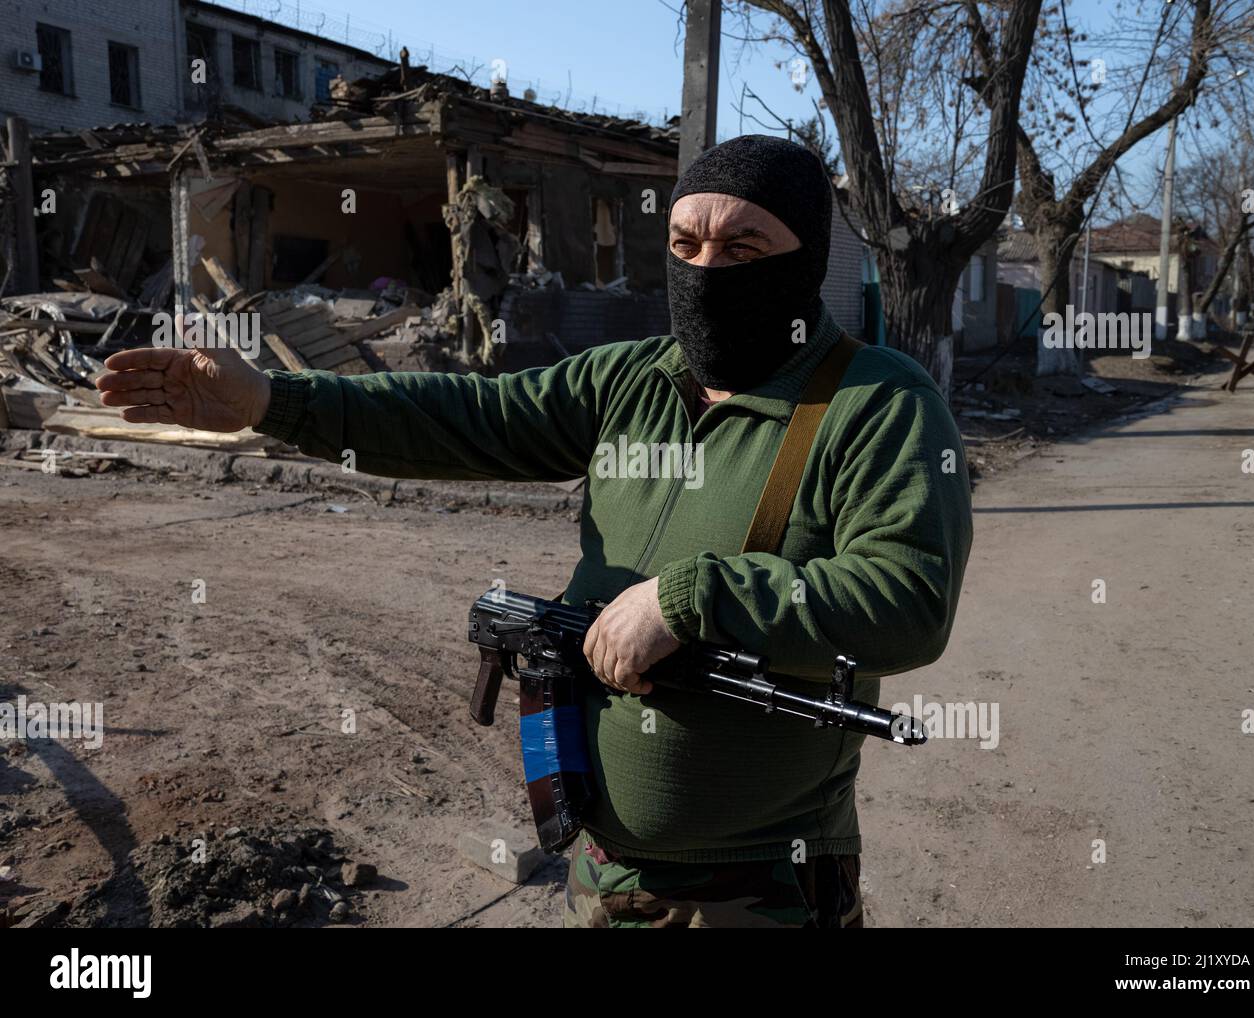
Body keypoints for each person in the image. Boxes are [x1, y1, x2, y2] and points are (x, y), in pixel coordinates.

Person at [96, 134, 973, 928]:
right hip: (601, 870)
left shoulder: (879, 403)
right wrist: (275, 402)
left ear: (806, 263)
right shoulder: (630, 380)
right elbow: (467, 417)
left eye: (743, 248)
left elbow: (907, 600)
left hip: (760, 890)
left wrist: (689, 597)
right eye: (685, 244)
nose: (706, 268)